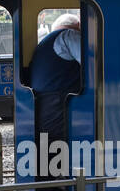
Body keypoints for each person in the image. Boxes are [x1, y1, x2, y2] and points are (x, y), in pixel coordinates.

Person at [28, 12, 81, 147]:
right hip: (59, 106)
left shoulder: (45, 42)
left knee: (51, 149)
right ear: (78, 26)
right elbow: (95, 66)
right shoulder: (69, 35)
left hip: (44, 106)